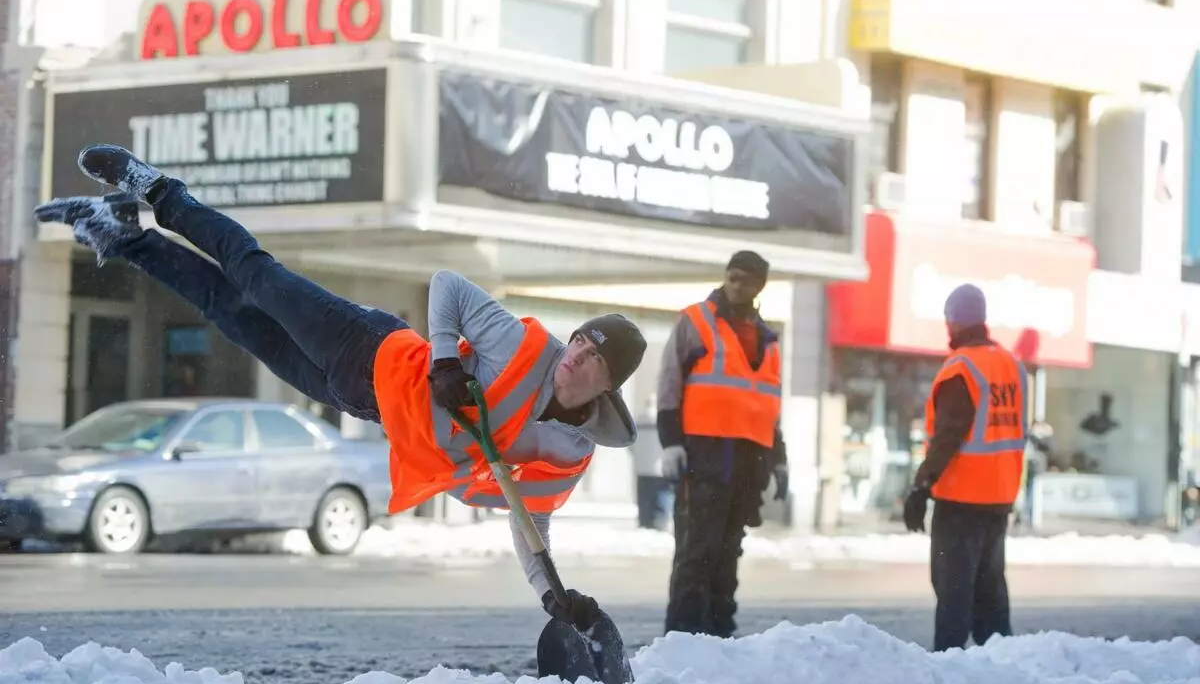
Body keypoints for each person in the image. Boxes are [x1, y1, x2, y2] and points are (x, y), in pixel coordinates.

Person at [36, 144, 648, 631]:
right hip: (365, 344)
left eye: (593, 358)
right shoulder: (524, 346)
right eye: (579, 342)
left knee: (230, 314)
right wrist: (444, 361)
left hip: (355, 398)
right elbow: (448, 285)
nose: (575, 357)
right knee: (253, 274)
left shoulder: (566, 456)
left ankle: (123, 237)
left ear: (608, 386)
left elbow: (529, 523)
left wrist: (551, 595)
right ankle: (158, 191)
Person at [656, 250, 788, 637]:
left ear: (759, 286)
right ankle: (682, 637)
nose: (736, 285)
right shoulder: (696, 321)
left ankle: (719, 638)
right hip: (703, 454)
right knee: (696, 551)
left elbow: (768, 405)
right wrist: (670, 442)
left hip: (749, 460)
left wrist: (779, 460)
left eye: (745, 279)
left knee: (729, 552)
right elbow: (668, 382)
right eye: (731, 277)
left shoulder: (767, 338)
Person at [902, 283, 1029, 652]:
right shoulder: (1011, 365)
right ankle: (1000, 661)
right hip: (999, 496)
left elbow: (948, 436)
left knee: (953, 588)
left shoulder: (961, 369)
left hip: (961, 499)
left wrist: (921, 487)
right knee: (990, 588)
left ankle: (949, 665)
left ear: (953, 322)